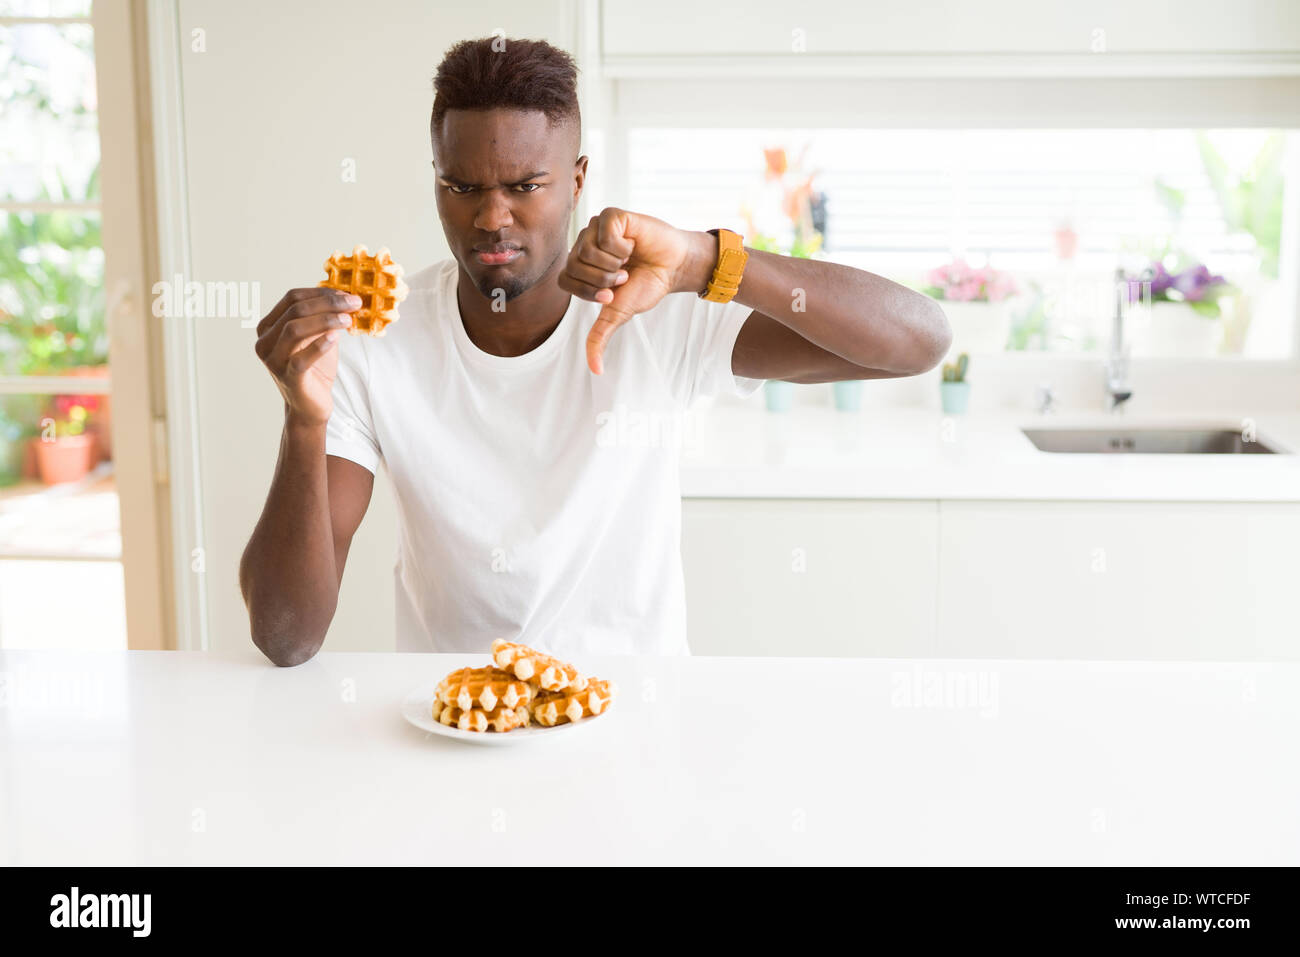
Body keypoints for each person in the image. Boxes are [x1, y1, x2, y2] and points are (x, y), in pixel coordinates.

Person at [240, 37, 951, 666]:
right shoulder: (373, 344)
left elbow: (919, 342)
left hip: (637, 720)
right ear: (436, 179)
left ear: (577, 180)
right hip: (455, 724)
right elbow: (288, 636)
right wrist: (303, 422)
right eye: (462, 187)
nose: (492, 217)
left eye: (525, 186)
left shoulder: (658, 308)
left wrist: (706, 261)